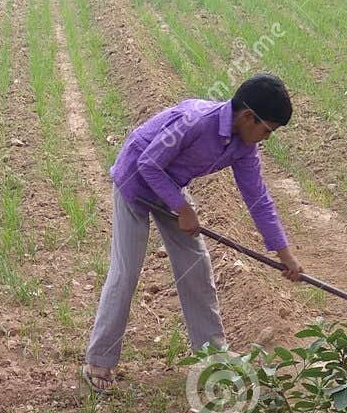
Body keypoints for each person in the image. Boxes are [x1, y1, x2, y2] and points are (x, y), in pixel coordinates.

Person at [81, 73, 303, 393]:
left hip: (169, 186)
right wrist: (183, 209)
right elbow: (148, 163)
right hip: (135, 181)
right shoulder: (195, 122)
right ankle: (98, 360)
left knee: (196, 266)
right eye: (267, 129)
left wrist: (286, 256)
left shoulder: (243, 147)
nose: (267, 137)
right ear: (247, 116)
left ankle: (212, 353)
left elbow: (258, 200)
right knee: (126, 272)